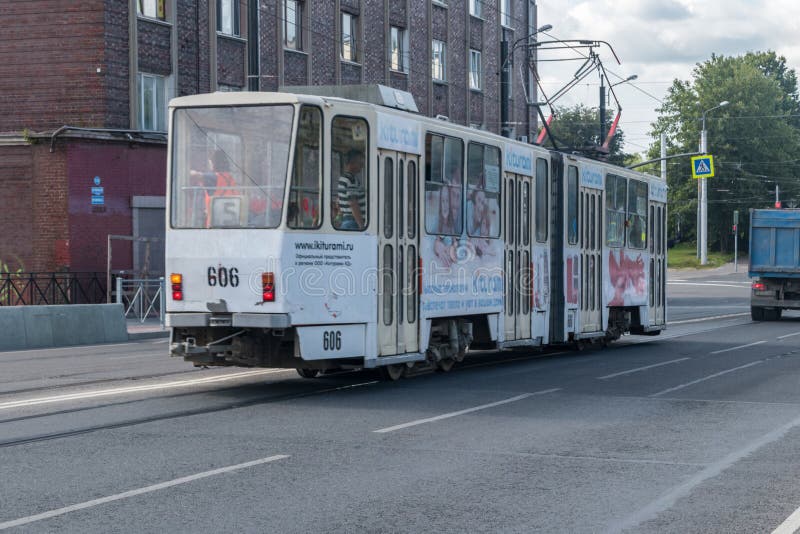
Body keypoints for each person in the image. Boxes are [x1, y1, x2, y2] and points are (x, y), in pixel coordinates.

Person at [190, 149, 238, 227]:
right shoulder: (230, 177)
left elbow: (196, 175)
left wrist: (185, 171)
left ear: (214, 163)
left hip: (215, 221)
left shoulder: (213, 177)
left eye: (210, 162)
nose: (209, 165)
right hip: (231, 220)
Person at [337, 149, 366, 230]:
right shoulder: (351, 179)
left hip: (348, 221)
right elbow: (353, 203)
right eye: (360, 162)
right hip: (353, 222)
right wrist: (361, 226)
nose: (362, 165)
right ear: (352, 162)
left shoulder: (343, 178)